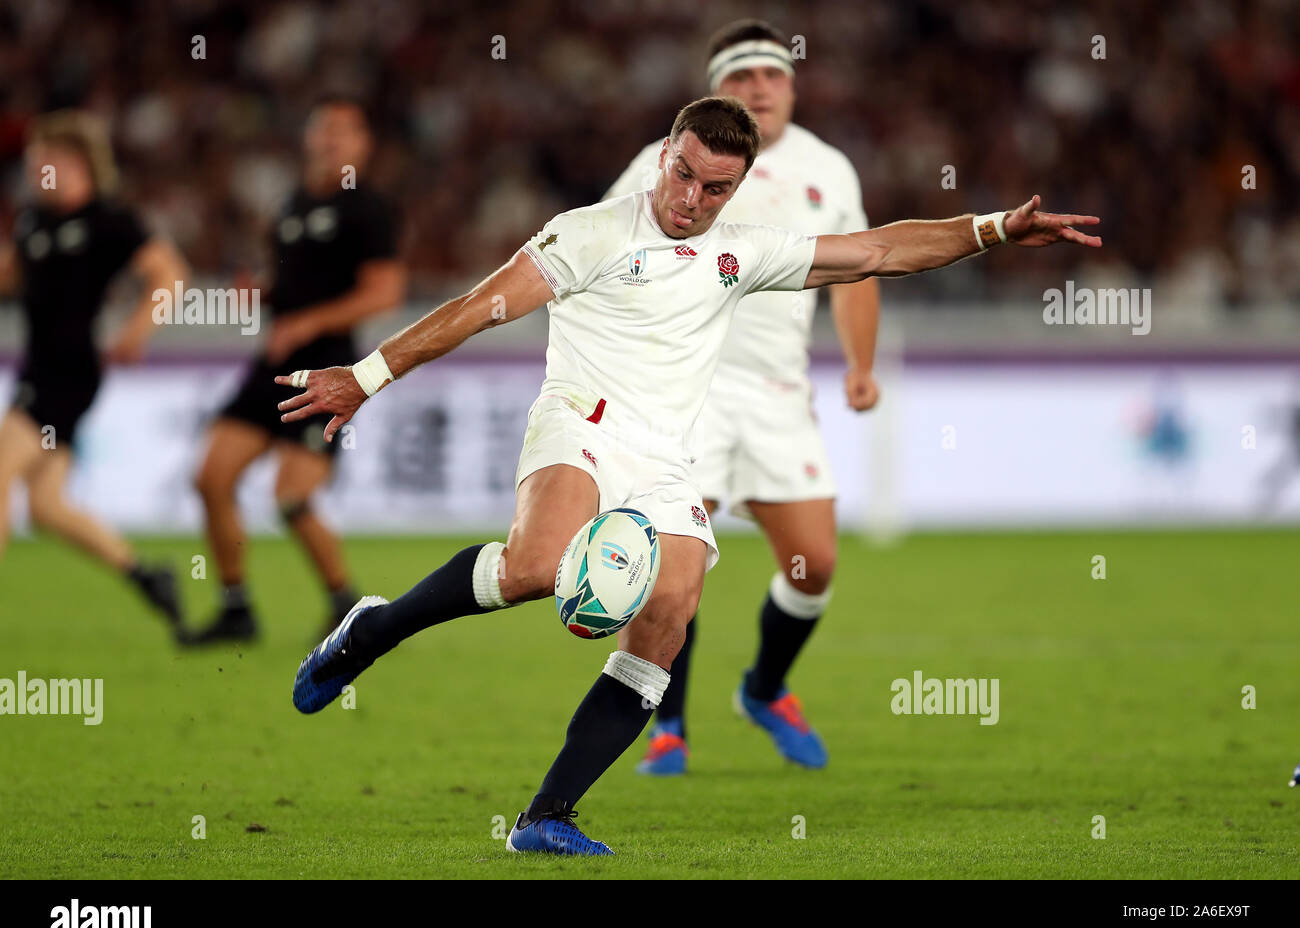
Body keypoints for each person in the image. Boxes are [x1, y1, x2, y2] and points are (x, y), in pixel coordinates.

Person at [280, 96, 1100, 855]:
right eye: (684, 174)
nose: (693, 199)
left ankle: (546, 815)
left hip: (666, 458)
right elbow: (483, 303)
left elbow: (881, 249)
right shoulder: (592, 232)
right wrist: (368, 374)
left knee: (669, 615)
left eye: (716, 188)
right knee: (534, 568)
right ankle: (372, 629)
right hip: (581, 424)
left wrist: (993, 228)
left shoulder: (742, 252)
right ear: (666, 154)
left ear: (738, 185)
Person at [605, 19, 881, 774]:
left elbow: (859, 271)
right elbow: (603, 256)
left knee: (813, 566)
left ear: (792, 84)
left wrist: (860, 363)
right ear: (713, 93)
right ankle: (670, 726)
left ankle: (762, 689)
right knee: (675, 569)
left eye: (773, 75)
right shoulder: (660, 163)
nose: (760, 88)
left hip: (777, 395)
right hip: (684, 392)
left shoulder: (830, 169)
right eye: (741, 78)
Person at [185, 95, 406, 645]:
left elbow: (384, 292)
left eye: (345, 131)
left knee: (291, 498)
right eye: (324, 129)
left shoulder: (369, 209)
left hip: (329, 372)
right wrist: (260, 294)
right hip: (273, 364)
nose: (332, 140)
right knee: (210, 478)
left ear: (363, 146)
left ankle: (346, 605)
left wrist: (309, 323)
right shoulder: (291, 205)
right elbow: (288, 286)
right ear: (308, 138)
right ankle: (237, 608)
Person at [0, 109, 186, 626]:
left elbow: (170, 274)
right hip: (36, 373)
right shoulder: (34, 219)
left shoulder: (110, 221)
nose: (33, 171)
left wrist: (136, 330)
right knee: (44, 505)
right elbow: (10, 277)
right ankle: (147, 575)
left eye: (42, 160)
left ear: (74, 162)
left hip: (70, 374)